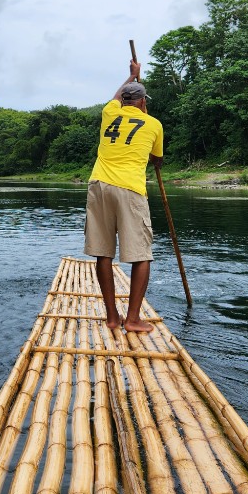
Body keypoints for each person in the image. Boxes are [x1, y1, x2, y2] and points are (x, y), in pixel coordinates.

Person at [84, 59, 163, 332]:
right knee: (141, 255)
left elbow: (116, 98)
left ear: (124, 101)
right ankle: (132, 319)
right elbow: (157, 159)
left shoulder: (109, 112)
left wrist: (131, 76)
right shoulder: (154, 124)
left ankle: (111, 317)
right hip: (130, 188)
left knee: (103, 253)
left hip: (99, 185)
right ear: (142, 102)